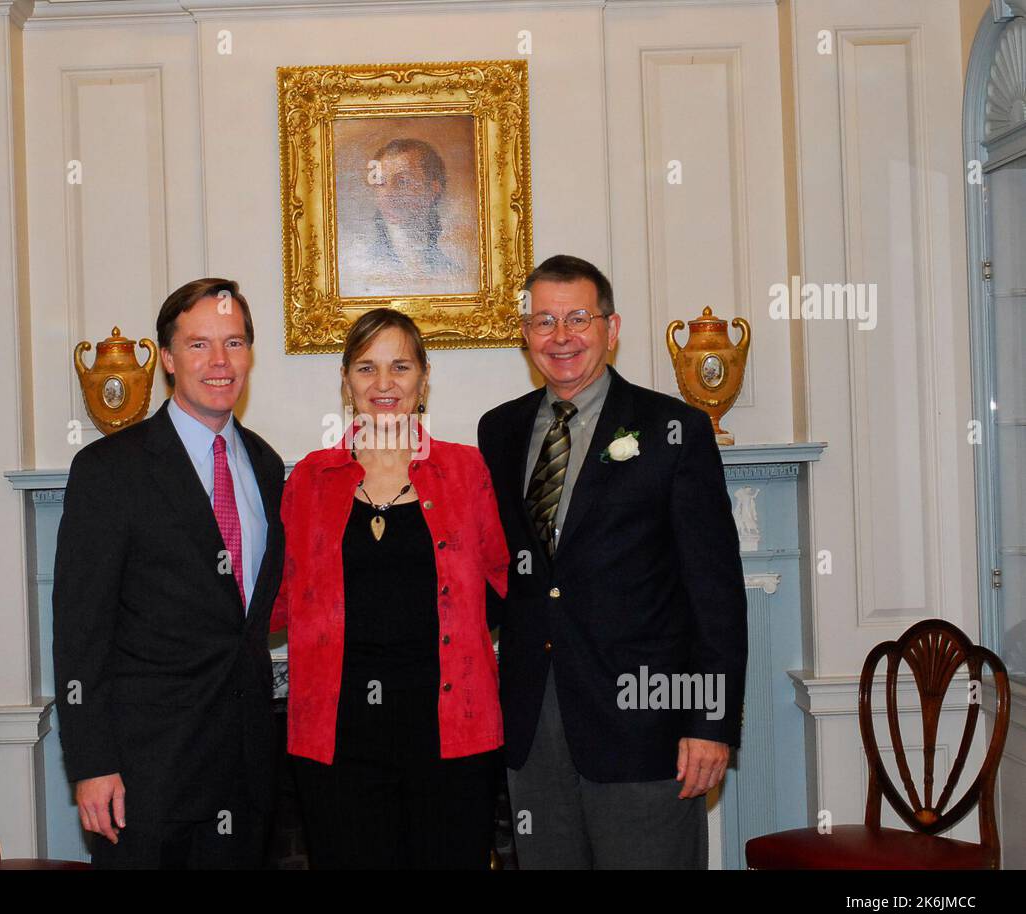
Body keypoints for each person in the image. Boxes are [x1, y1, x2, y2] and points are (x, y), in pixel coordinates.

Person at [477, 255, 747, 869]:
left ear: (611, 327)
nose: (561, 336)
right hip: (532, 726)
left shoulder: (674, 428)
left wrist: (711, 723)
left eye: (578, 318)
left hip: (646, 723)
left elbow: (716, 590)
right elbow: (499, 574)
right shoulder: (499, 431)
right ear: (525, 334)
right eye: (544, 321)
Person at [52, 277, 284, 869]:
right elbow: (80, 633)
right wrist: (92, 764)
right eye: (200, 344)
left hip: (247, 771)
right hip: (145, 778)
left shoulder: (264, 464)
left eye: (234, 343)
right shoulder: (109, 471)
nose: (219, 362)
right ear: (168, 359)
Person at [273, 308, 509, 868]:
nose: (384, 384)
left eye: (400, 366)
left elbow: (501, 583)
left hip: (451, 732)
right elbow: (278, 596)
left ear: (424, 380)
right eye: (366, 368)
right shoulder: (309, 479)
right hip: (336, 735)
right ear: (346, 382)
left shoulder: (466, 470)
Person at [345, 139, 476, 296]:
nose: (387, 194)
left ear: (433, 190)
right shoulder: (360, 267)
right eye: (381, 183)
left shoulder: (456, 273)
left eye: (403, 181)